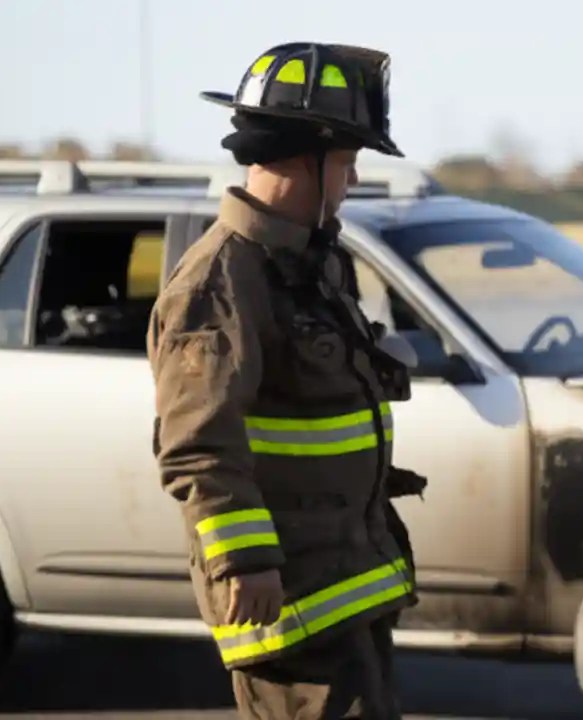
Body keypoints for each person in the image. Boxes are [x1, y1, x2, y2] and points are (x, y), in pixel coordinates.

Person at [147, 42, 426, 719]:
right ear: (308, 159)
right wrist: (244, 563)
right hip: (288, 598)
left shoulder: (307, 266)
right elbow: (196, 444)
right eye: (350, 162)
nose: (353, 181)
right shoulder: (219, 284)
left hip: (345, 582)